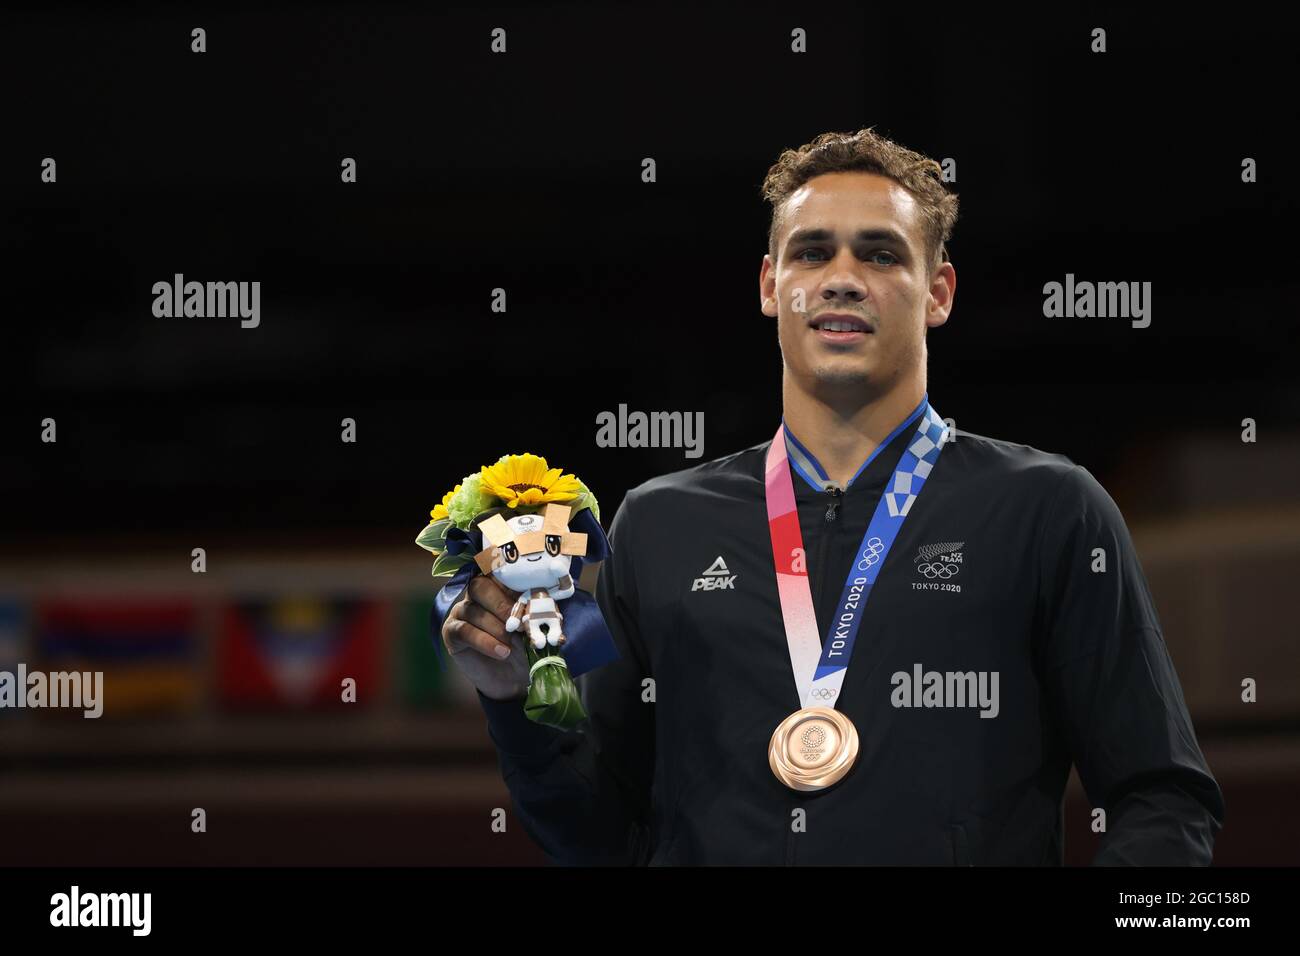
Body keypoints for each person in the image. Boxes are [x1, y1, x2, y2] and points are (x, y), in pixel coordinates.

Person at [439, 128, 1225, 865]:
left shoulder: (1049, 509)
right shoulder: (657, 523)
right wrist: (515, 704)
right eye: (812, 252)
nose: (842, 278)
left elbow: (1163, 798)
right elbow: (598, 837)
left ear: (939, 291)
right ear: (770, 286)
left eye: (880, 255)